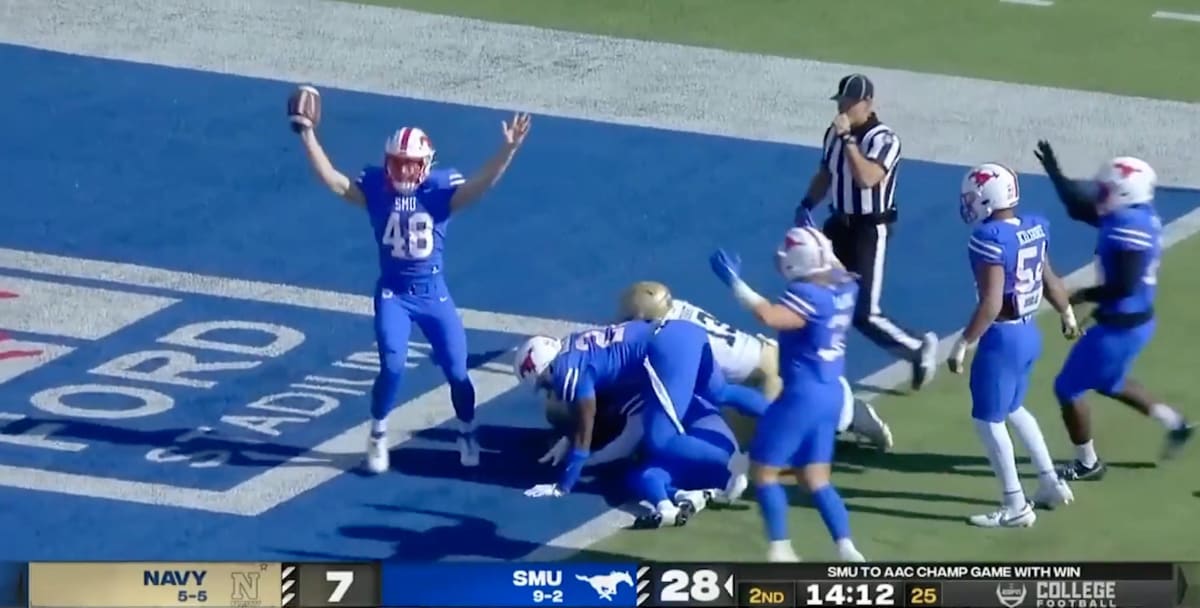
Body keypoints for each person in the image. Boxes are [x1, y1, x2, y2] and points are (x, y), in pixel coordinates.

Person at [289, 84, 532, 472]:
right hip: (394, 294)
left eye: (410, 163)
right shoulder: (376, 189)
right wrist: (307, 135)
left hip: (433, 293)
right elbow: (333, 180)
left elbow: (480, 185)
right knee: (393, 365)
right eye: (398, 162)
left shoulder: (439, 190)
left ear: (425, 164)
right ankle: (379, 432)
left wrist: (508, 149)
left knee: (457, 371)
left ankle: (467, 429)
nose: (403, 169)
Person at [1034, 142, 1194, 480]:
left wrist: (1076, 297)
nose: (1100, 193)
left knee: (1068, 388)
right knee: (1110, 381)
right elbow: (1079, 209)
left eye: (1107, 189)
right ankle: (1175, 423)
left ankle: (1087, 463)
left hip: (1119, 327)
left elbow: (1124, 286)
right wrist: (1057, 174)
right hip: (1132, 322)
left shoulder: (1128, 227)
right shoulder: (1133, 214)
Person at [709, 226, 866, 563]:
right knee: (816, 478)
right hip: (831, 393)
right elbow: (830, 263)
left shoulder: (808, 295)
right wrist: (816, 236)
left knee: (764, 473)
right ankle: (846, 547)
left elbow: (771, 316)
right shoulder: (846, 285)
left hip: (802, 396)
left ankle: (781, 550)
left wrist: (736, 284)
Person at [947, 163, 1076, 528]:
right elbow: (1051, 278)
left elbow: (990, 302)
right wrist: (1066, 312)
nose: (969, 203)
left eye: (974, 196)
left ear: (989, 197)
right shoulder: (1033, 227)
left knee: (988, 421)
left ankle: (1015, 505)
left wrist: (963, 342)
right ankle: (1050, 481)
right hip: (1030, 331)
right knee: (1016, 409)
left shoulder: (988, 238)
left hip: (1002, 337)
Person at [618, 281, 892, 449]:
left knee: (736, 447)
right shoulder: (675, 308)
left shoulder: (672, 336)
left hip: (770, 377)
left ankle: (848, 415)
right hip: (766, 362)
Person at [795, 74, 938, 391]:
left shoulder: (884, 139)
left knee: (864, 314)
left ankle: (917, 348)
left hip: (869, 230)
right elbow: (826, 174)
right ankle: (815, 362)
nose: (843, 107)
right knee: (815, 294)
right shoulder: (834, 135)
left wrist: (848, 141)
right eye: (841, 101)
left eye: (850, 102)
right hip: (838, 225)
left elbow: (867, 178)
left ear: (868, 103)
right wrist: (806, 203)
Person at [513, 321, 764, 500]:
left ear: (543, 368)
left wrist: (563, 485)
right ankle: (780, 416)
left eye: (543, 381)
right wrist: (568, 439)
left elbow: (584, 431)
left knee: (661, 439)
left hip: (664, 352)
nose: (548, 388)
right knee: (720, 392)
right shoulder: (571, 344)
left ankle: (734, 463)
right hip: (683, 331)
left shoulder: (567, 372)